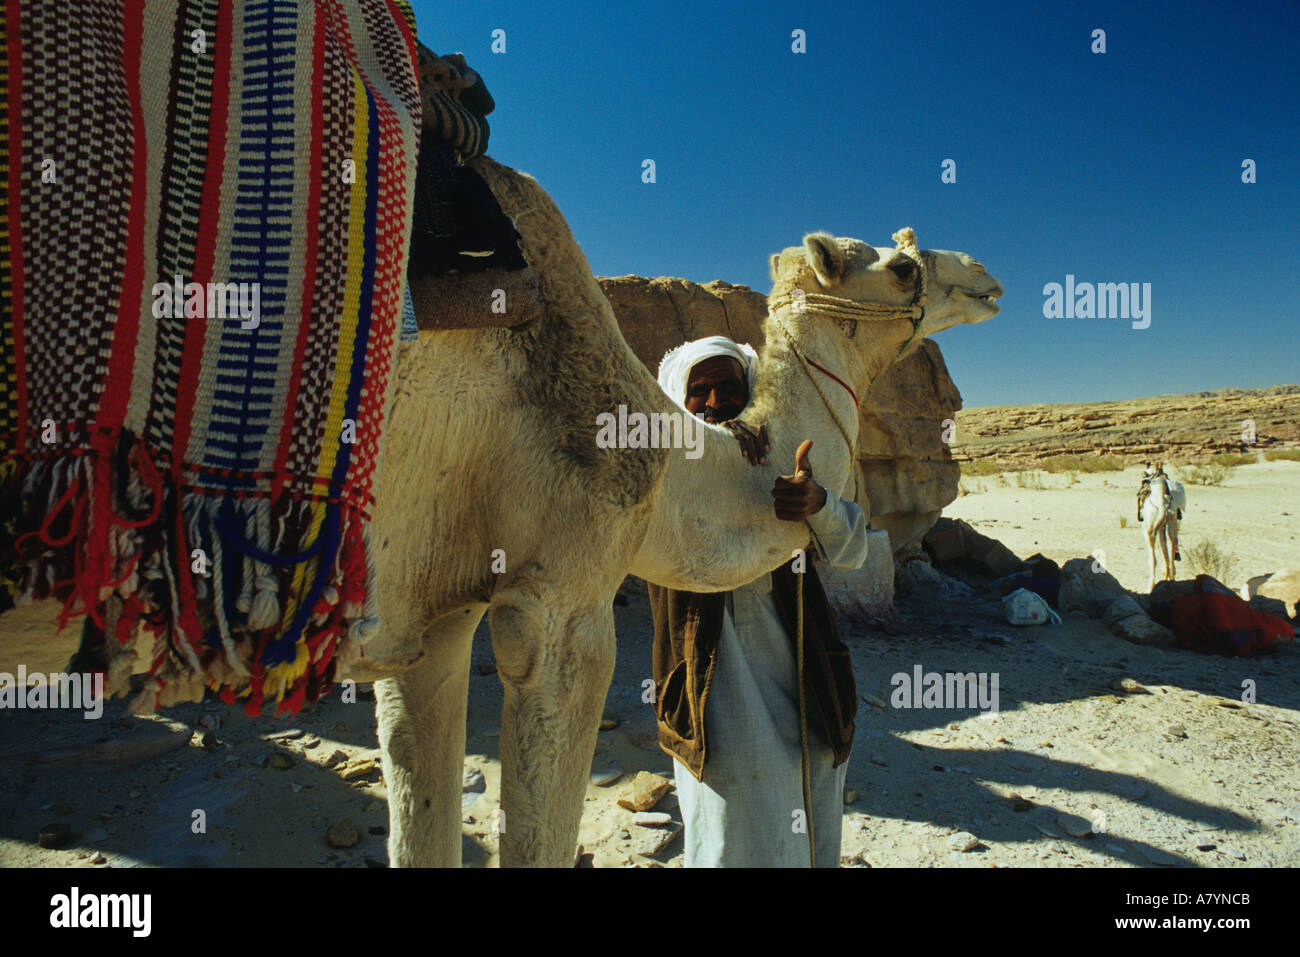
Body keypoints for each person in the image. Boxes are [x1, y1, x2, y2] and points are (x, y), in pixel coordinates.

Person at [647, 335, 869, 867]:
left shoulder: (781, 462)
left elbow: (854, 550)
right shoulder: (657, 470)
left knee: (811, 827)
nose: (717, 401)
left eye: (728, 386)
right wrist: (706, 451)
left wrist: (816, 503)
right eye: (699, 391)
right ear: (680, 400)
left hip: (806, 685)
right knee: (729, 835)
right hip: (712, 699)